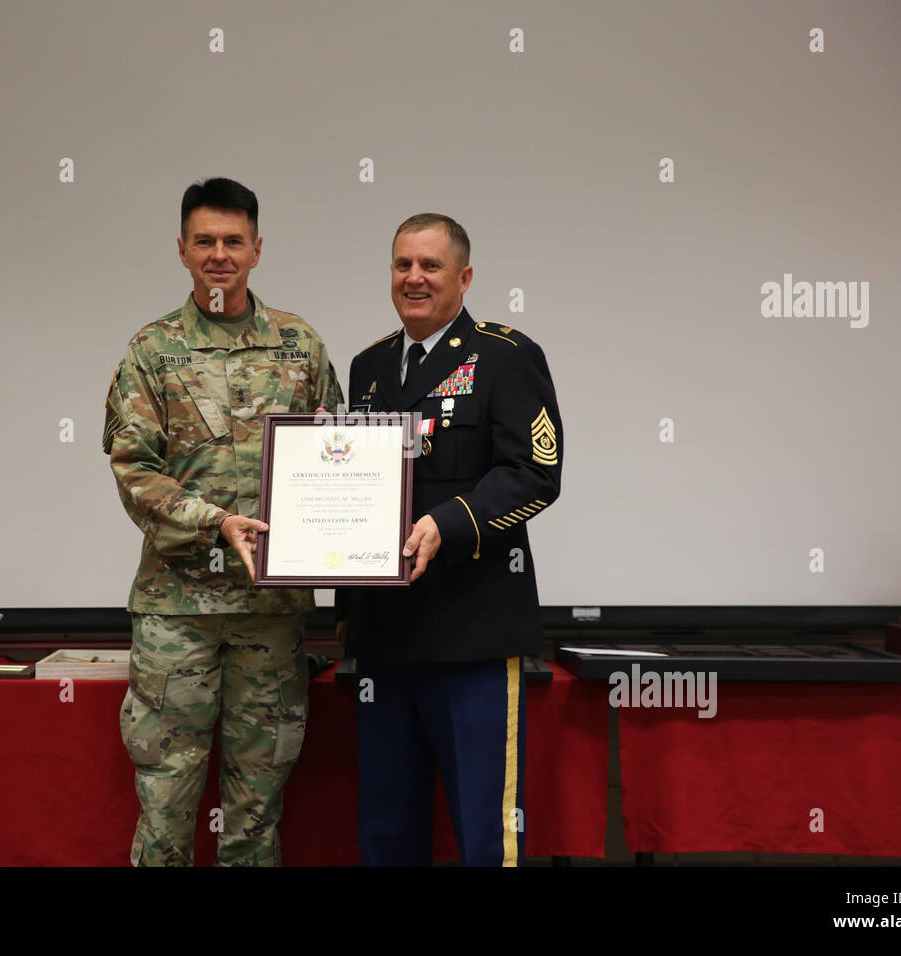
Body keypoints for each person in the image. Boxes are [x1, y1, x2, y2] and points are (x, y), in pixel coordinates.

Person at [102, 177, 343, 865]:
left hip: (270, 614)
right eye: (204, 241)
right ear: (181, 250)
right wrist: (214, 522)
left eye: (233, 241)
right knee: (167, 804)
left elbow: (339, 464)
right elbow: (133, 471)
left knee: (256, 812)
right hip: (177, 612)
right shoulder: (153, 352)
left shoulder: (301, 347)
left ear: (257, 250)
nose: (219, 255)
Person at [335, 213, 564, 866]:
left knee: (485, 835)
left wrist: (447, 524)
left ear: (463, 278)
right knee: (386, 831)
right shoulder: (369, 367)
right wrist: (345, 610)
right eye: (403, 264)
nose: (415, 278)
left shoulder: (506, 357)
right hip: (385, 641)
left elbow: (534, 474)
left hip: (475, 643)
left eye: (430, 266)